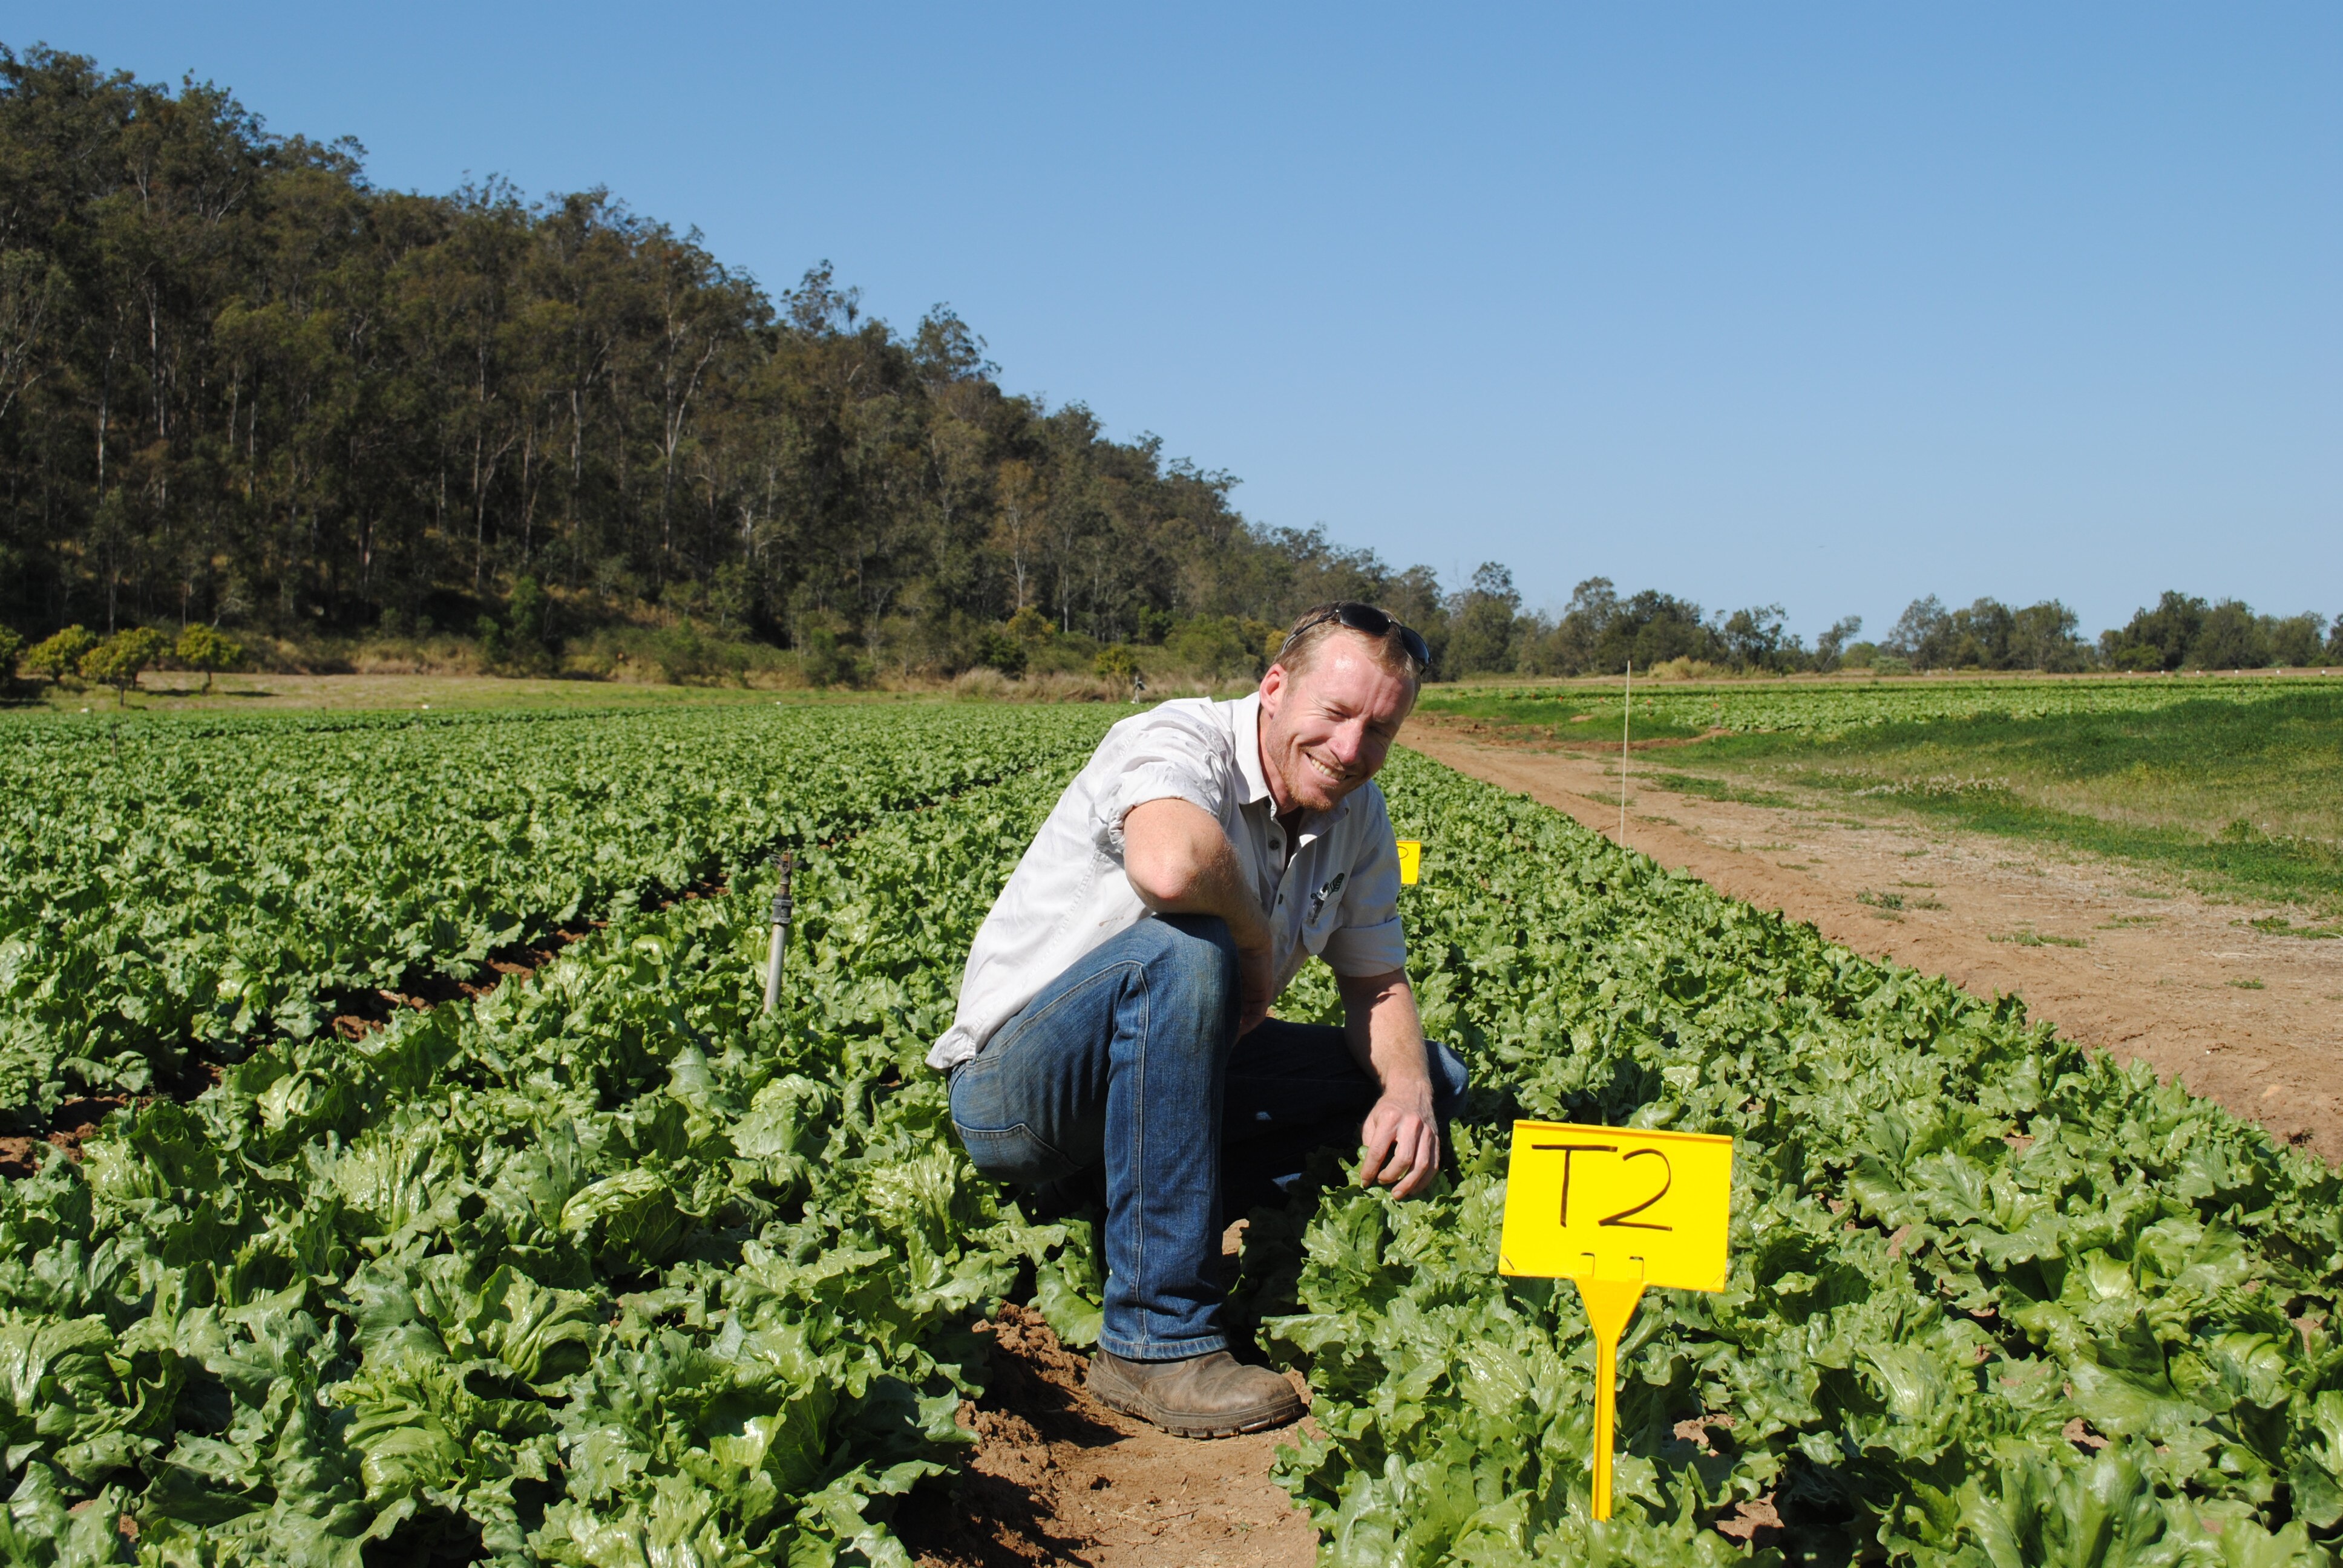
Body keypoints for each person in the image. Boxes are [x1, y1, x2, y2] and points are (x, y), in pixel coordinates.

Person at [930, 603, 1467, 1438]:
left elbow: (1377, 981)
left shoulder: (1358, 815)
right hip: (1020, 1095)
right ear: (1275, 686)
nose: (1353, 750)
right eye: (1334, 715)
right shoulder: (1177, 739)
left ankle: (1129, 1194)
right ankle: (1153, 1337)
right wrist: (1256, 943)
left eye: (1380, 730)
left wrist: (1405, 1092)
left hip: (1171, 1068)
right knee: (1186, 951)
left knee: (1430, 1079)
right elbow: (1172, 865)